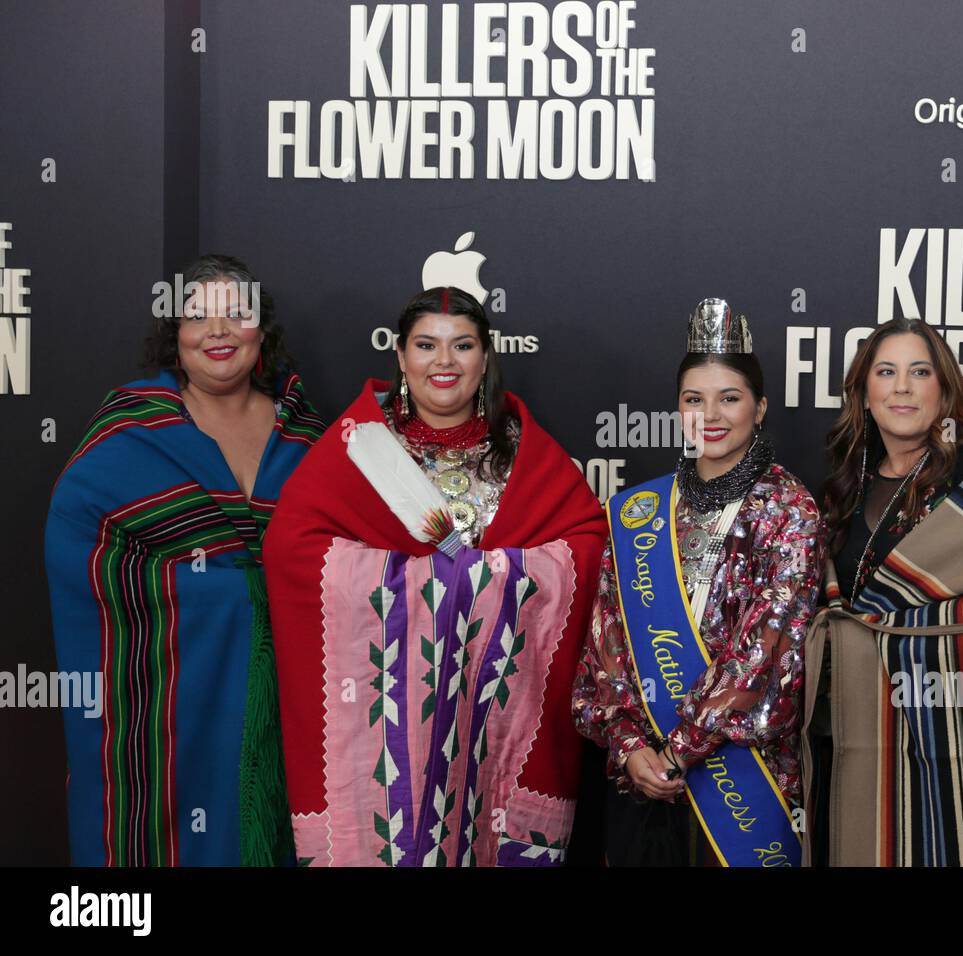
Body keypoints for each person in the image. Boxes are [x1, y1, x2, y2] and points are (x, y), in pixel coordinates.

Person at [264, 286, 605, 866]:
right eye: (426, 345)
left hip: (492, 712)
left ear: (485, 357)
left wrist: (490, 576)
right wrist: (427, 582)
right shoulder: (359, 447)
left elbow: (584, 546)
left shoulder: (526, 452)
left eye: (462, 346)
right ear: (400, 357)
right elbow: (293, 550)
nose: (443, 363)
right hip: (385, 716)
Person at [44, 254, 325, 865]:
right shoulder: (133, 429)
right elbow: (83, 543)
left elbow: (343, 555)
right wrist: (235, 595)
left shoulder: (306, 434)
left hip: (292, 702)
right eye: (197, 316)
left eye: (236, 314)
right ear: (175, 334)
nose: (217, 331)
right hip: (171, 699)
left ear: (262, 329)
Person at [804, 317, 963, 866]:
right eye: (886, 372)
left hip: (956, 736)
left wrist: (872, 641)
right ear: (864, 392)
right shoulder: (845, 489)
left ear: (944, 389)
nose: (902, 387)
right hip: (860, 742)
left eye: (919, 372)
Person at [573, 298, 825, 867]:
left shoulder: (789, 510)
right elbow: (606, 645)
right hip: (641, 778)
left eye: (729, 398)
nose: (710, 414)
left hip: (742, 781)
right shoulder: (640, 509)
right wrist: (631, 743)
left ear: (760, 408)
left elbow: (766, 656)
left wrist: (678, 749)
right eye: (694, 400)